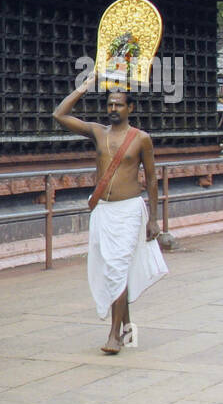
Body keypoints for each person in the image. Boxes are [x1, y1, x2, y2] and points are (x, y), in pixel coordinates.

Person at [53, 74, 167, 354]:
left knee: (117, 268)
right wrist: (84, 86)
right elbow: (59, 114)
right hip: (103, 211)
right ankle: (127, 327)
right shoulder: (98, 133)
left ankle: (114, 335)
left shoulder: (142, 139)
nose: (113, 109)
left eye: (119, 104)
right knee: (112, 270)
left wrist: (154, 218)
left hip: (129, 210)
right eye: (110, 104)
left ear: (131, 108)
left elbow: (151, 180)